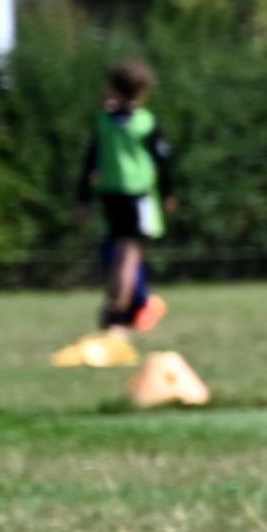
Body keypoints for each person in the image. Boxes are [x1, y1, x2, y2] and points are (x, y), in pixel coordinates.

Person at [76, 59, 173, 334]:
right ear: (142, 91)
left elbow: (90, 162)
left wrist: (82, 199)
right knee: (130, 256)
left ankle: (115, 307)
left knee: (119, 254)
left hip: (110, 195)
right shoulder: (145, 122)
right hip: (137, 195)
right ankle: (118, 314)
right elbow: (163, 161)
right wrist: (168, 193)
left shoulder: (103, 122)